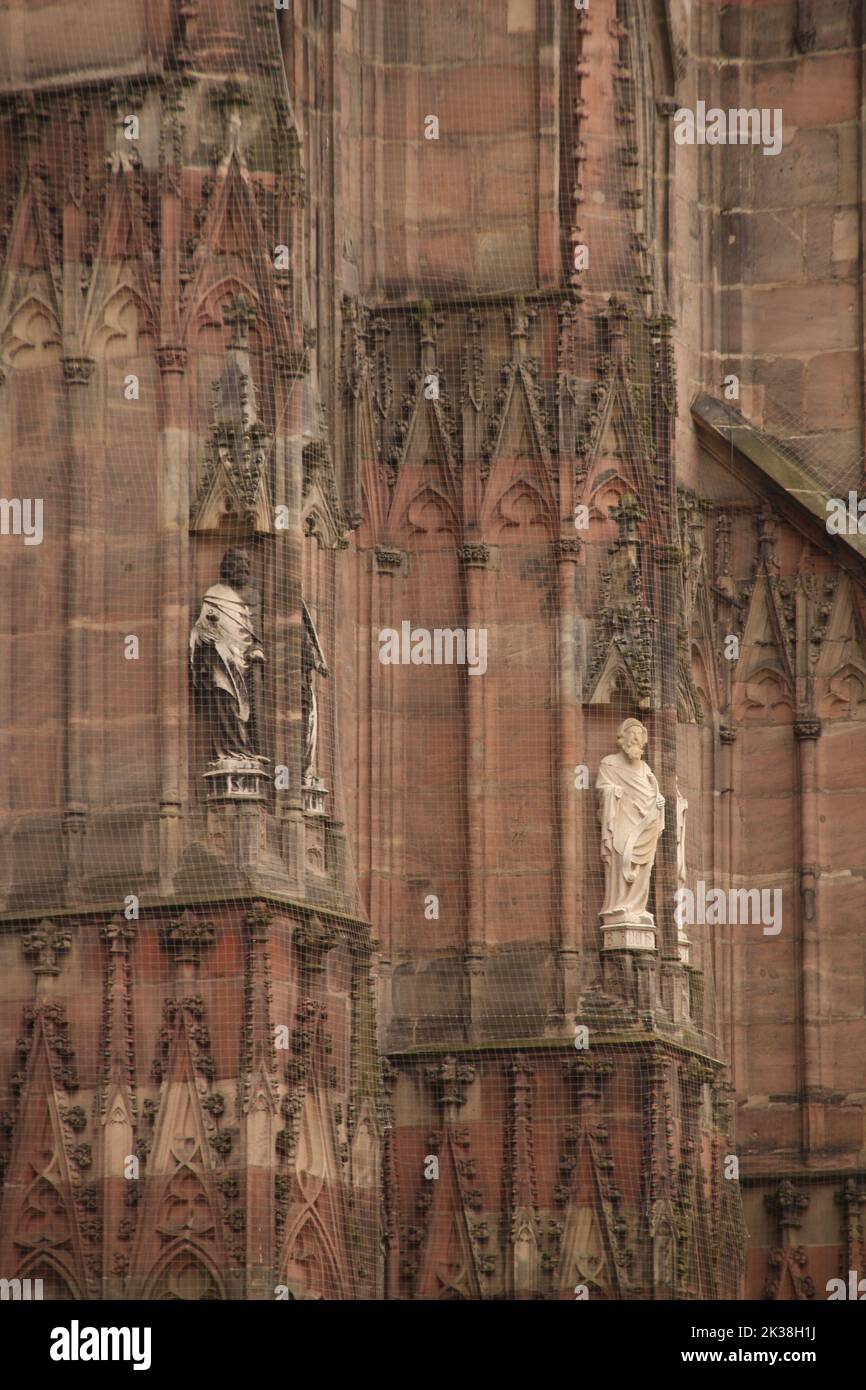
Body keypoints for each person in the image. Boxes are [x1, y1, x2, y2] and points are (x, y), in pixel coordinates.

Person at [190, 547, 264, 760]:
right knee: (227, 703)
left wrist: (257, 649)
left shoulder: (252, 596)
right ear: (228, 566)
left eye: (246, 563)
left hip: (246, 661)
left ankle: (247, 750)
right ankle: (232, 752)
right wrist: (206, 635)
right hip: (221, 660)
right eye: (238, 563)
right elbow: (202, 628)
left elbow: (255, 632)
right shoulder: (215, 594)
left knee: (250, 708)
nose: (244, 567)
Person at [596, 718, 665, 922]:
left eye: (639, 734)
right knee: (620, 858)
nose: (635, 737)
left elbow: (654, 792)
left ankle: (637, 908)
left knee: (644, 867)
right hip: (622, 819)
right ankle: (619, 906)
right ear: (622, 737)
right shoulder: (609, 763)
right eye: (631, 733)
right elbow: (603, 788)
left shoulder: (645, 768)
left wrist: (658, 799)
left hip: (646, 823)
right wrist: (614, 792)